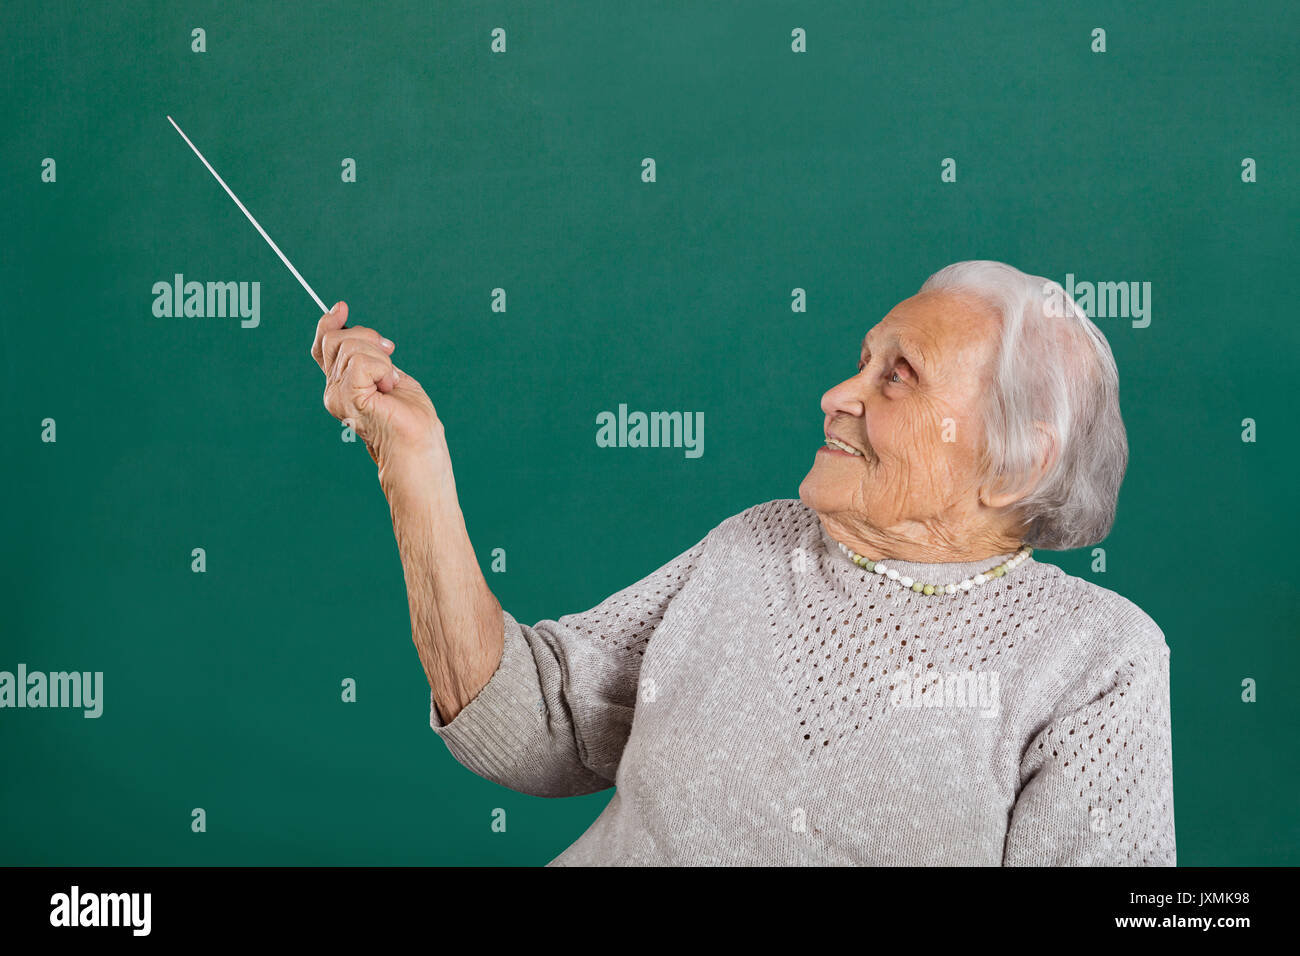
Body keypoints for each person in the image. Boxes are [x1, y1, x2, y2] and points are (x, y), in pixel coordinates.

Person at [309, 259, 1175, 865]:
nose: (838, 394)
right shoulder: (755, 543)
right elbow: (529, 727)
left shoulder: (1095, 657)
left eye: (898, 376)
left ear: (1016, 462)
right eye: (861, 362)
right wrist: (412, 464)